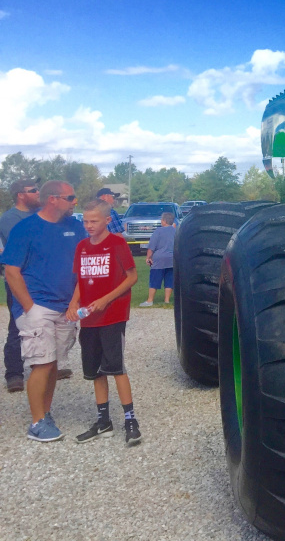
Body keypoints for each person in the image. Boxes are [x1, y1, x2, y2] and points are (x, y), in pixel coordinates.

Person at [0, 181, 86, 442]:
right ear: (53, 199)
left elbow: (84, 264)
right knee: (42, 363)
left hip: (66, 307)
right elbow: (11, 271)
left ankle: (45, 413)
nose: (75, 202)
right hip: (38, 306)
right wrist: (29, 307)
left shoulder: (75, 226)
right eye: (70, 197)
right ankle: (37, 423)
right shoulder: (25, 228)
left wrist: (75, 303)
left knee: (53, 363)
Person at [68, 199, 141, 445]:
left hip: (112, 315)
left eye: (94, 221)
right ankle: (103, 421)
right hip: (89, 319)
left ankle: (130, 420)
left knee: (116, 368)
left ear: (107, 220)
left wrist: (106, 299)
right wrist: (73, 303)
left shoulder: (117, 243)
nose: (88, 225)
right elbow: (81, 279)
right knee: (95, 371)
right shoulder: (82, 247)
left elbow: (132, 277)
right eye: (85, 221)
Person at [0, 178, 42, 393]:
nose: (38, 193)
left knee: (44, 322)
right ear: (20, 195)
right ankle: (14, 373)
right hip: (19, 279)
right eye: (33, 190)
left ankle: (42, 366)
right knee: (18, 325)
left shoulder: (42, 213)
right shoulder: (8, 219)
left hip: (42, 280)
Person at [140, 212, 175, 307]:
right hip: (172, 259)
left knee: (155, 279)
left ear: (164, 221)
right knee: (169, 279)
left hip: (159, 259)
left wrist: (148, 257)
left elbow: (151, 247)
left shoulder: (158, 231)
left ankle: (150, 300)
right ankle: (167, 300)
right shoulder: (176, 231)